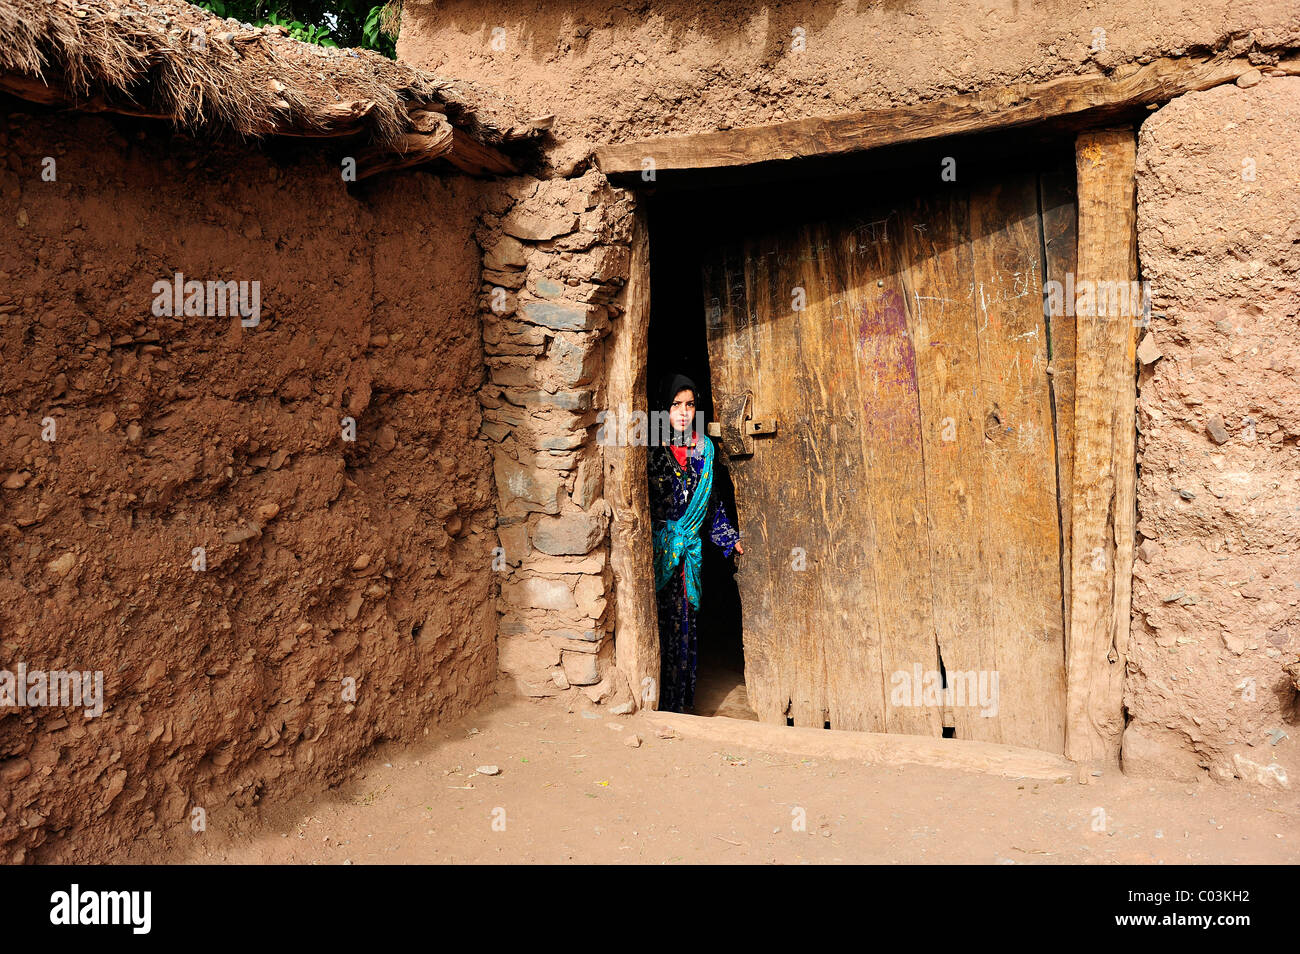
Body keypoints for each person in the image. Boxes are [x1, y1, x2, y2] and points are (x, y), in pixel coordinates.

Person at [647, 373, 744, 713]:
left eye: (690, 405)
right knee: (657, 624)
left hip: (688, 555)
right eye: (676, 405)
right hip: (656, 554)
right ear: (665, 408)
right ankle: (655, 704)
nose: (684, 412)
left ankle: (681, 706)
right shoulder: (651, 448)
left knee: (684, 626)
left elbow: (712, 502)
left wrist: (728, 539)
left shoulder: (705, 450)